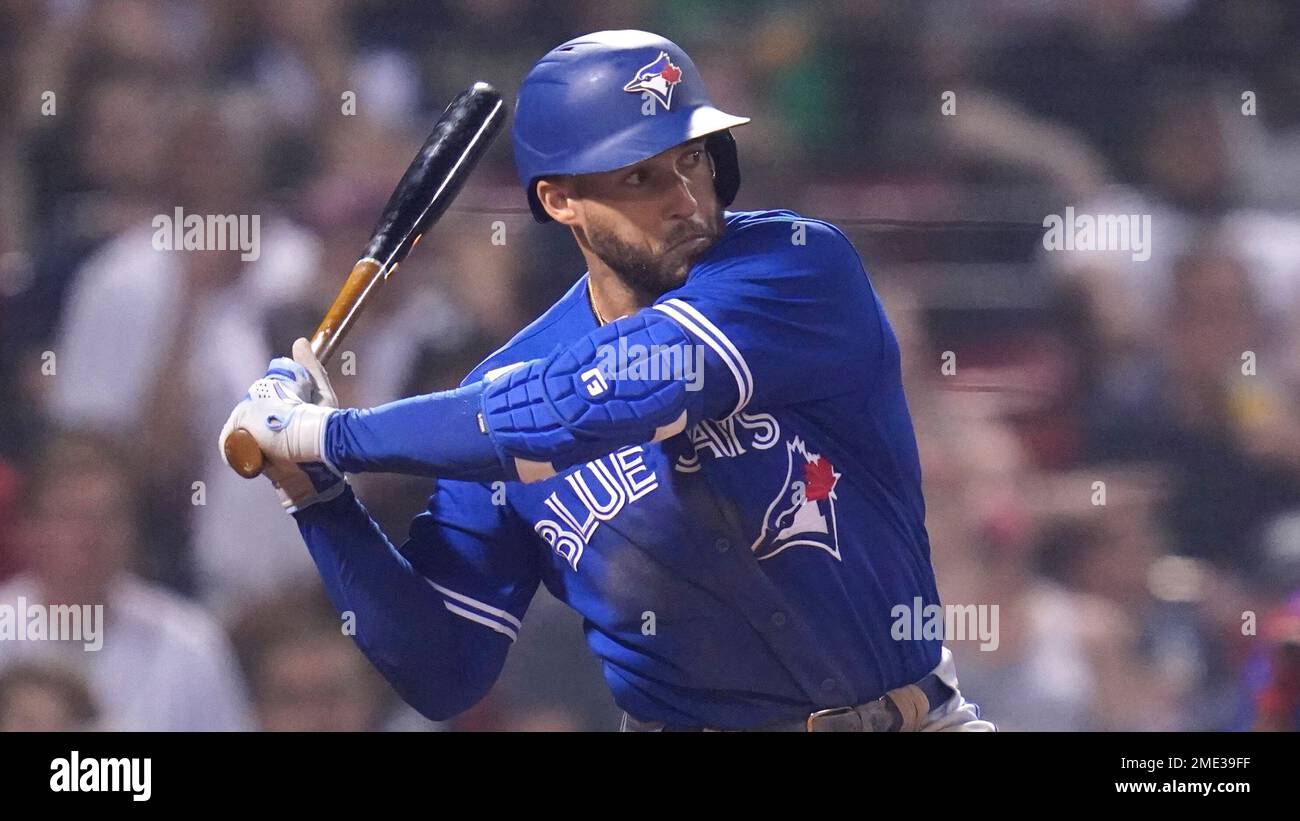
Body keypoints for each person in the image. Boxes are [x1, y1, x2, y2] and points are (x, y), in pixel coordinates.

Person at [220, 30, 993, 732]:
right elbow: (445, 669)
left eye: (692, 158)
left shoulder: (792, 266)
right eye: (640, 177)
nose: (686, 198)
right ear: (560, 200)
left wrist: (328, 431)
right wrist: (319, 498)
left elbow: (593, 402)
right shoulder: (495, 399)